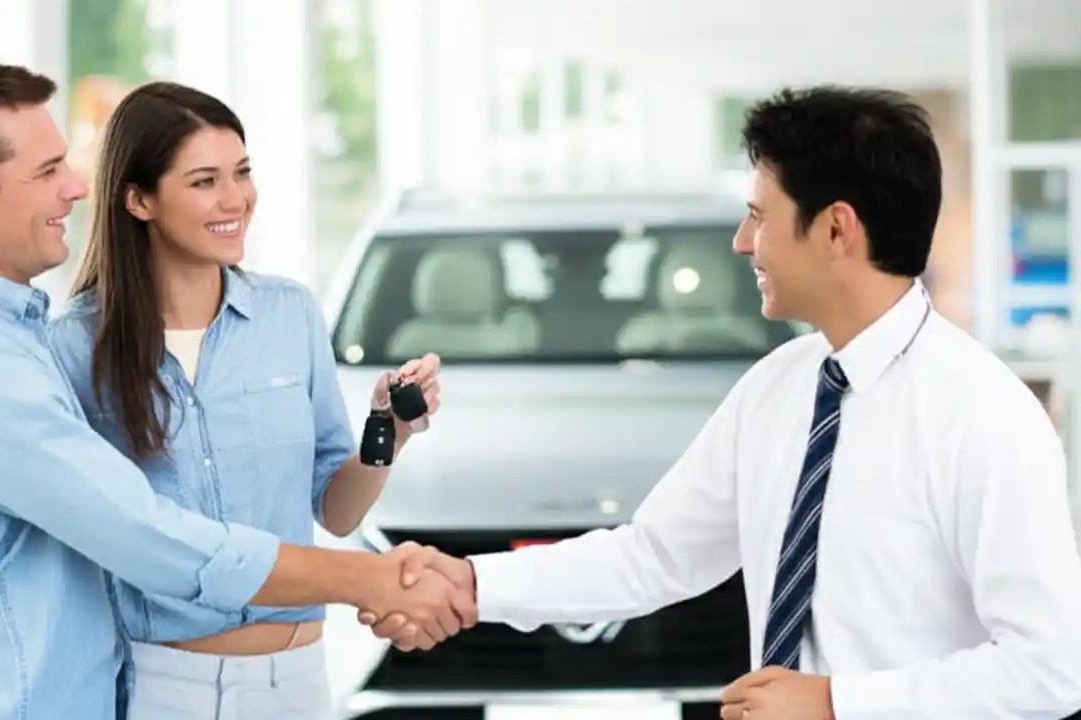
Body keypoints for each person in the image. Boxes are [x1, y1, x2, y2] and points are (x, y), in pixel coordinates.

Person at [363, 86, 1081, 720]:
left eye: (759, 217)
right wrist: (471, 580)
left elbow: (1050, 668)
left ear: (836, 229)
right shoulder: (779, 387)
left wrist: (838, 704)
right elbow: (653, 557)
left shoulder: (983, 414)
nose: (743, 243)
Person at [0, 56, 471, 720]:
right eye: (47, 171)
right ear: (141, 199)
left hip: (286, 677)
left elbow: (16, 543)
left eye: (243, 173)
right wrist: (376, 579)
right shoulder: (8, 354)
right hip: (157, 680)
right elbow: (143, 537)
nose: (74, 188)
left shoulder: (283, 314)